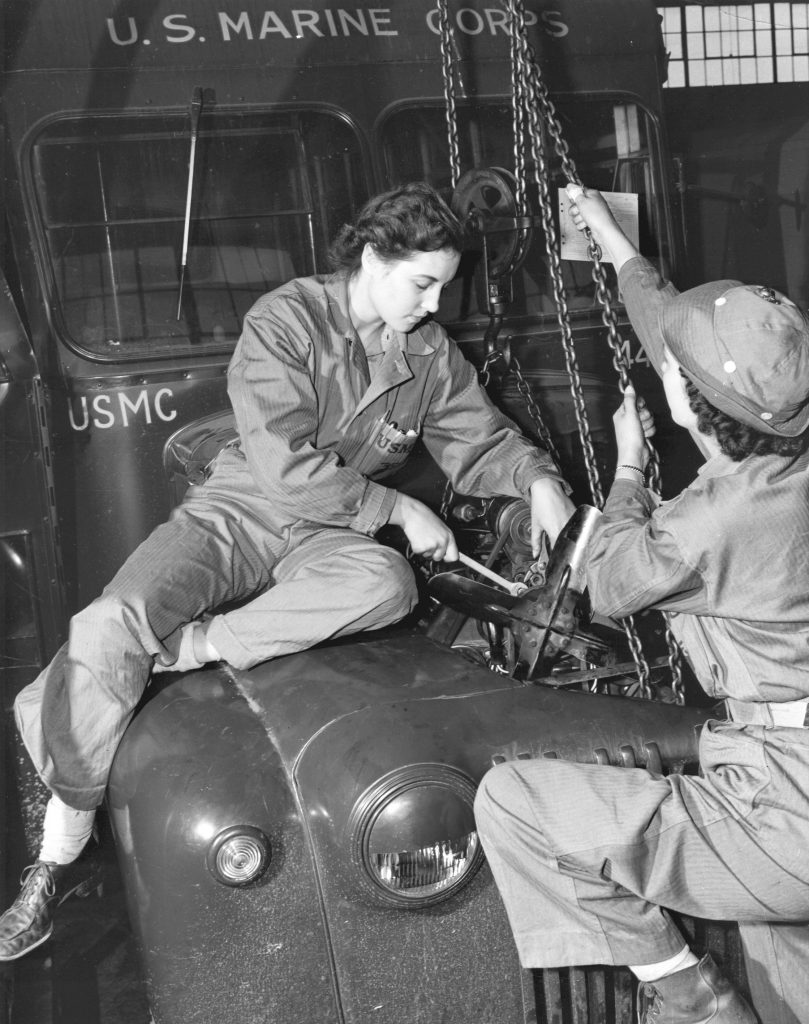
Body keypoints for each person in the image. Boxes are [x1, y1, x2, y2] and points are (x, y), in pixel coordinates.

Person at [0, 181, 574, 961]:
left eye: (443, 286)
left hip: (329, 532)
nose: (435, 304)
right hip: (242, 508)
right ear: (372, 259)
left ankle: (188, 648)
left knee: (386, 584)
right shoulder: (286, 320)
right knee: (108, 623)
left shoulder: (427, 353)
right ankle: (56, 861)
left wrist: (537, 481)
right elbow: (280, 464)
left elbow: (481, 439)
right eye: (422, 283)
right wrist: (397, 508)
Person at [474, 182, 809, 1024]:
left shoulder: (709, 523)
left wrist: (626, 469)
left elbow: (604, 580)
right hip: (785, 764)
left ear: (682, 399)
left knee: (514, 803)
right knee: (787, 966)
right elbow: (670, 320)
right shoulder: (779, 427)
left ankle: (691, 1000)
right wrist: (608, 236)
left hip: (790, 799)